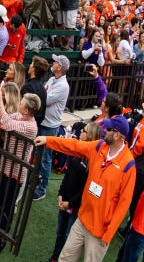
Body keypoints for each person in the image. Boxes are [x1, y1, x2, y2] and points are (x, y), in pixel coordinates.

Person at [35, 115, 136, 262]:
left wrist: (109, 234)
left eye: (107, 129)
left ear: (117, 135)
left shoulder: (128, 165)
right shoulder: (99, 146)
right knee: (65, 258)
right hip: (82, 219)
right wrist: (48, 140)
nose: (103, 131)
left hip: (100, 230)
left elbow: (124, 204)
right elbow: (74, 146)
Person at [0, 87, 40, 253]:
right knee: (1, 201)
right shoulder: (20, 116)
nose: (18, 104)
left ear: (26, 110)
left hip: (16, 172)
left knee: (7, 207)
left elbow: (7, 123)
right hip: (6, 167)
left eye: (22, 103)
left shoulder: (31, 127)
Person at [49, 122, 100, 262]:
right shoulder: (77, 155)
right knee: (60, 233)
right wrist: (60, 194)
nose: (80, 132)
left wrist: (69, 203)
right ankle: (55, 257)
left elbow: (84, 190)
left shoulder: (91, 162)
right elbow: (67, 177)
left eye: (83, 130)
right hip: (65, 202)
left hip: (75, 207)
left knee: (68, 236)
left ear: (90, 136)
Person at [34, 54, 71, 201]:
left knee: (45, 158)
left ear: (59, 67)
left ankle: (42, 189)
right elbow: (43, 95)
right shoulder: (51, 79)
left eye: (55, 62)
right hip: (43, 121)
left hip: (50, 126)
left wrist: (41, 96)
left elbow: (45, 99)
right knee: (38, 156)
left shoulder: (63, 86)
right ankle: (35, 182)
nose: (53, 63)